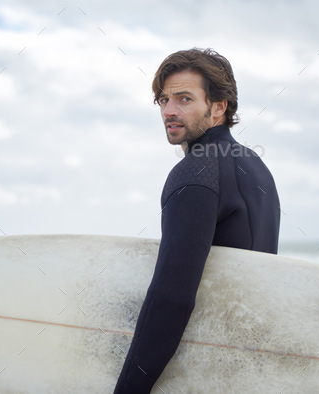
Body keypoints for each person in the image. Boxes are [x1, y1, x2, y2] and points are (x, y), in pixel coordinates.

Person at [114, 48, 280, 393]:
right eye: (163, 100)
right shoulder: (256, 167)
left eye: (184, 99)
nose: (169, 111)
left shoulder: (196, 172)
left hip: (202, 373)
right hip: (247, 368)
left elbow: (171, 297)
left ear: (219, 106)